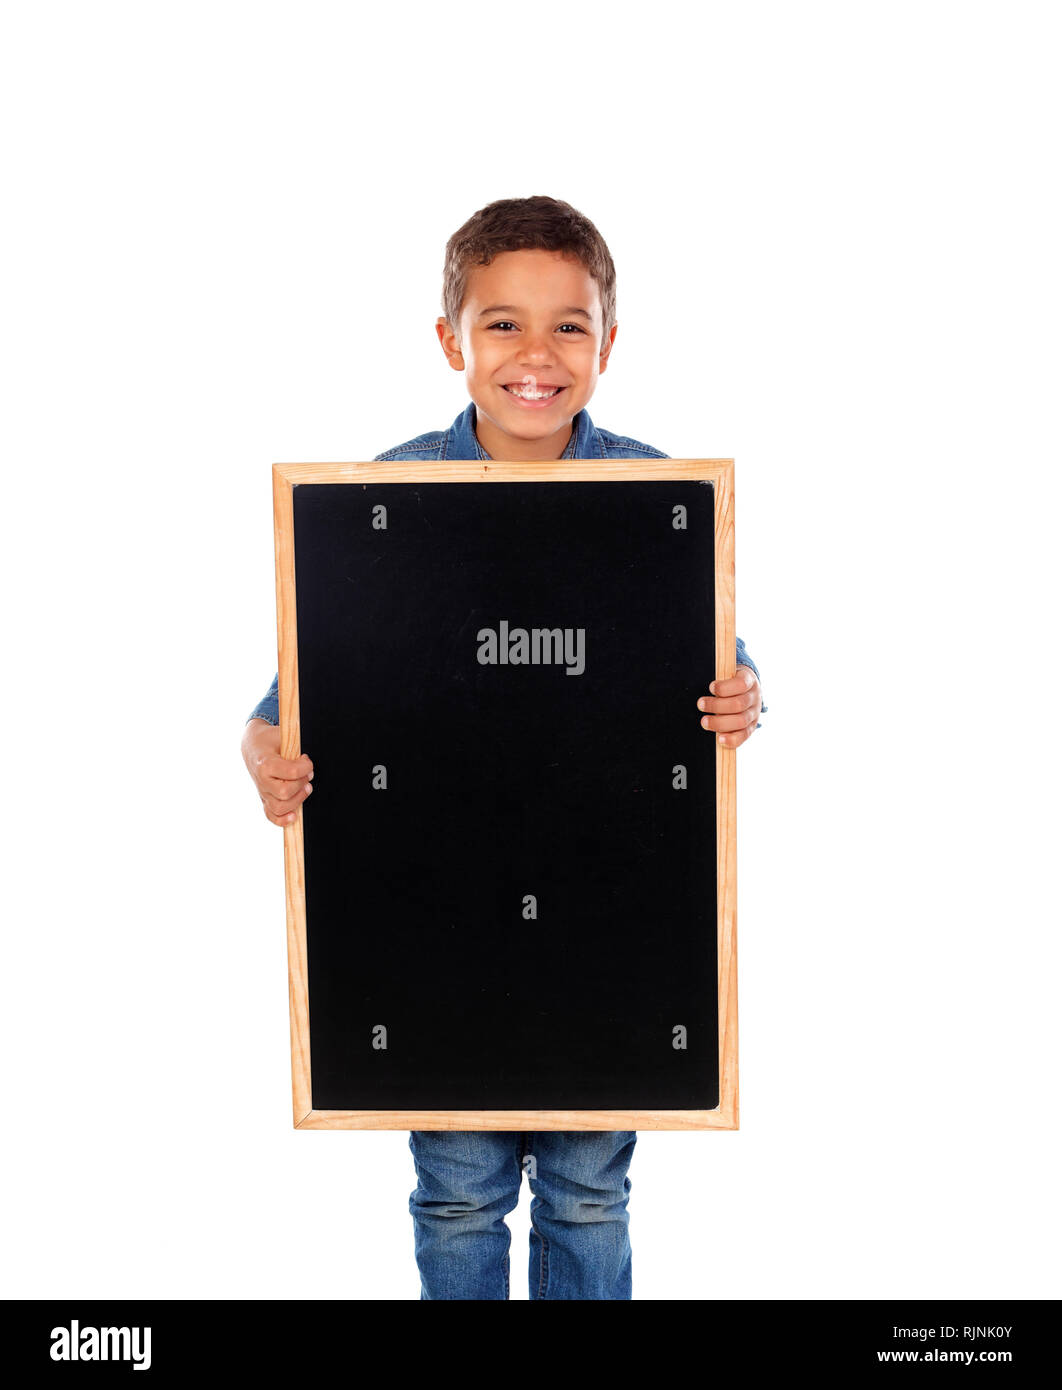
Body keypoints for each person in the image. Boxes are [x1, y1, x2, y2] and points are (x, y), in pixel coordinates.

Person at [241, 195, 767, 1299]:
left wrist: (739, 700)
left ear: (608, 343)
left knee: (589, 1193)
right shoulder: (388, 496)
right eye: (502, 324)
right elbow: (298, 696)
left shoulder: (652, 492)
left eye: (569, 325)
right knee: (462, 1191)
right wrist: (266, 757)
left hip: (605, 923)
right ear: (452, 341)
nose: (537, 355)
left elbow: (718, 665)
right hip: (442, 930)